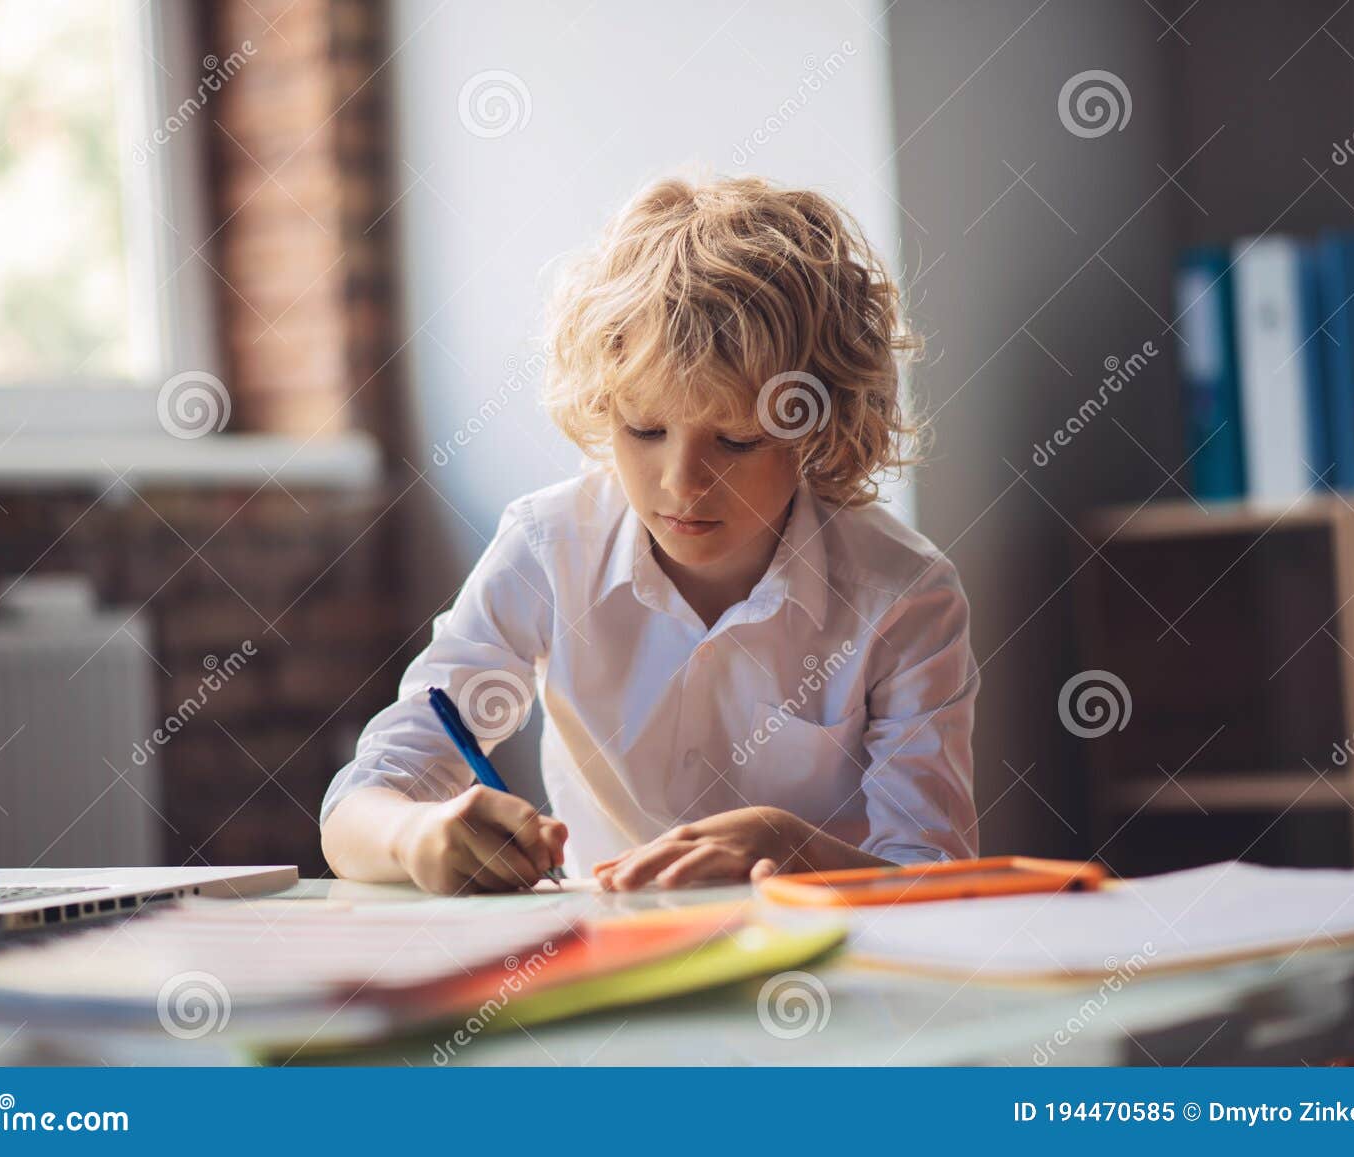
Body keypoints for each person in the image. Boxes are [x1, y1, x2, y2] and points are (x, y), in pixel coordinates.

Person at [320, 174, 979, 893]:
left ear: (818, 429)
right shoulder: (549, 550)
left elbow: (938, 877)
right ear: (607, 408)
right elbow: (360, 804)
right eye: (645, 429)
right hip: (605, 964)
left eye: (734, 441)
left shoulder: (903, 594)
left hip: (831, 969)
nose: (681, 483)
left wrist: (792, 847)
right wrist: (417, 834)